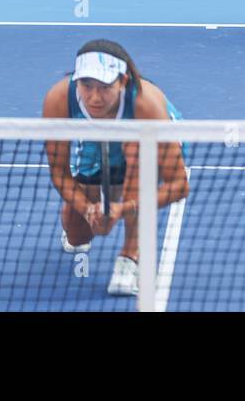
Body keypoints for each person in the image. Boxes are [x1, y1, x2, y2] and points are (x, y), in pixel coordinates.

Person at [41, 39, 188, 297]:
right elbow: (59, 173)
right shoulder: (59, 99)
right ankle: (83, 219)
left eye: (105, 87)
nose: (94, 97)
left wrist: (123, 208)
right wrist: (88, 210)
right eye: (86, 86)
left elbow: (178, 185)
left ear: (123, 81)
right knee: (78, 238)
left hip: (145, 140)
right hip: (95, 143)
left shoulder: (146, 105)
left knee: (138, 155)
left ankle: (129, 259)